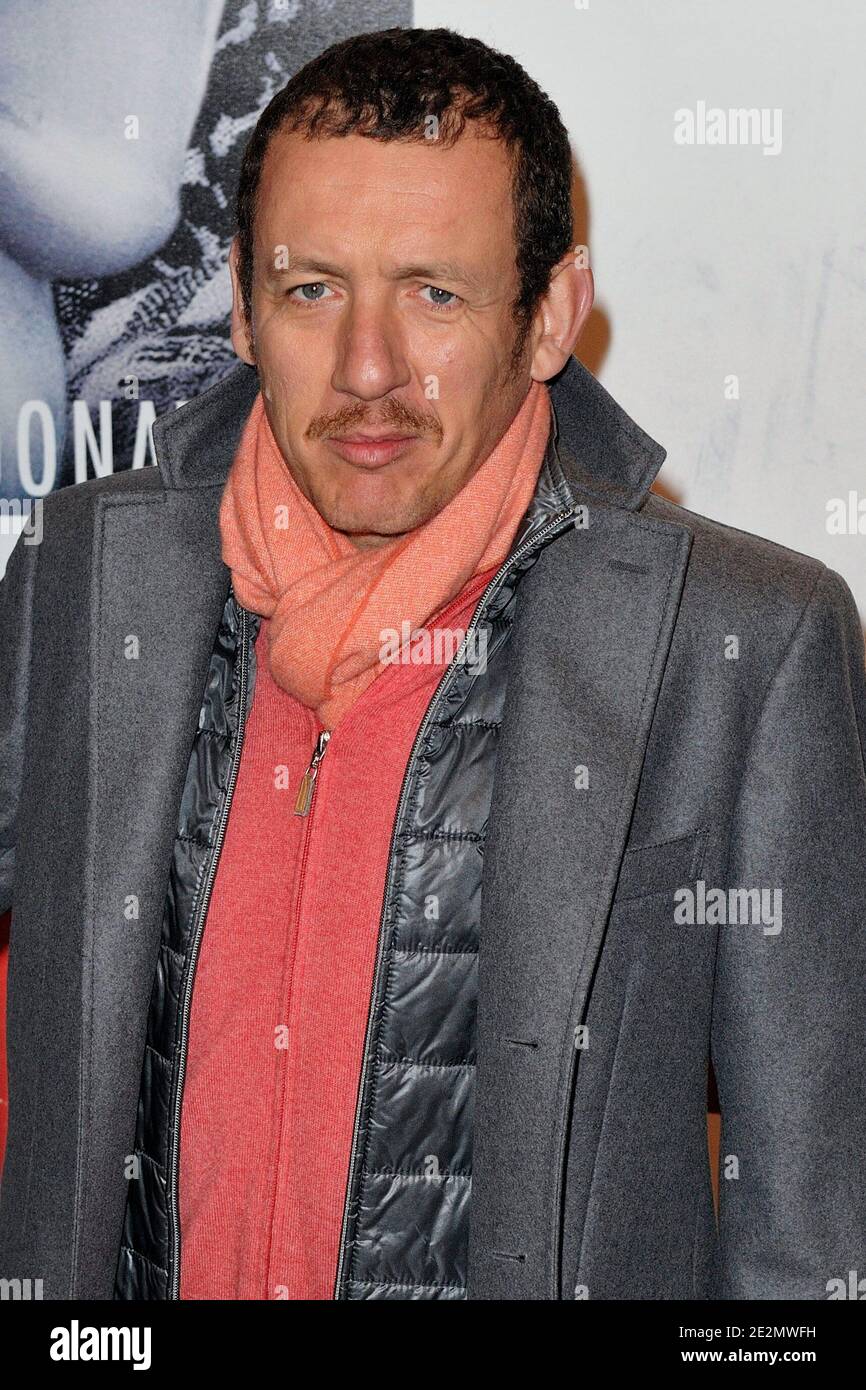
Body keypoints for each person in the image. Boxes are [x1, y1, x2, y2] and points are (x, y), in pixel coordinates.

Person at [1, 25, 864, 1302]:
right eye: (310, 290)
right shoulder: (76, 577)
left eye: (434, 293)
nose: (367, 371)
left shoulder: (743, 637)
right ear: (239, 304)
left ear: (549, 315)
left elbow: (802, 1235)